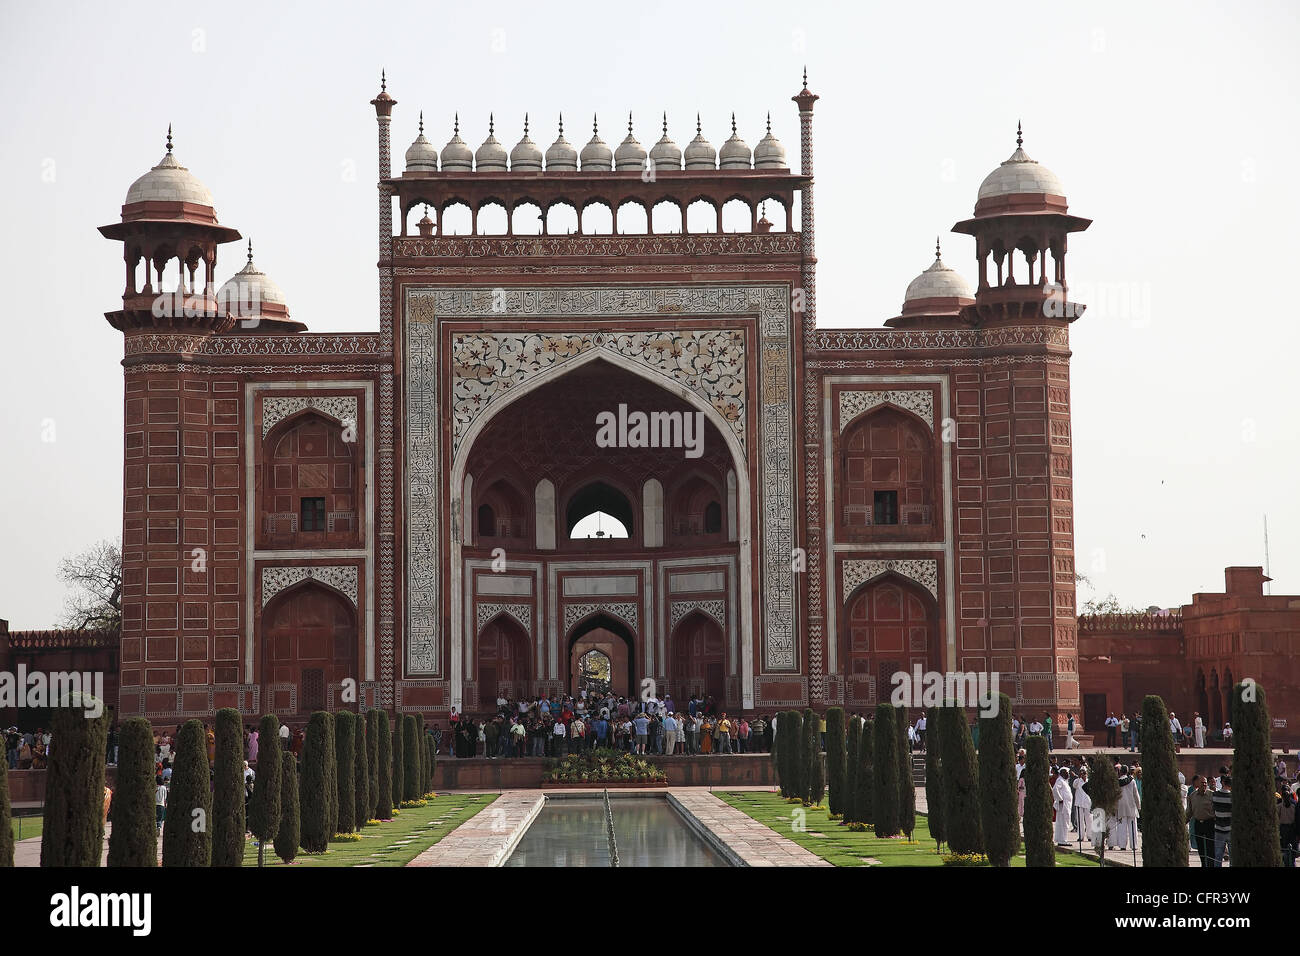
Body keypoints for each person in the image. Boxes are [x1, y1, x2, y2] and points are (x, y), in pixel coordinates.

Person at [1186, 774, 1215, 866]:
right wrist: (1183, 822)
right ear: (1197, 784)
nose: (1204, 785)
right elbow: (1189, 812)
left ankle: (1210, 864)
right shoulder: (1192, 796)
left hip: (1209, 823)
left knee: (1210, 847)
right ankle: (1203, 864)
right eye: (1202, 783)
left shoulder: (1212, 795)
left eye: (1206, 783)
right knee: (1201, 848)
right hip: (1198, 824)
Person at [1115, 764, 1140, 851]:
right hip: (1131, 806)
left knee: (1122, 827)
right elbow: (1136, 794)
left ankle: (1122, 845)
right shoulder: (1132, 781)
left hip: (1121, 806)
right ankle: (1134, 845)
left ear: (1121, 772)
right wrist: (1138, 806)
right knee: (1133, 827)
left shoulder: (1117, 782)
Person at [1210, 774, 1232, 866]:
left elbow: (1212, 810)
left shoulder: (1214, 795)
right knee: (1233, 855)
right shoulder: (1232, 797)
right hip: (1230, 828)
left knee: (1218, 855)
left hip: (1218, 828)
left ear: (1222, 783)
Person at [1052, 766, 1073, 846]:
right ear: (1063, 773)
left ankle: (1061, 839)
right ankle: (1063, 840)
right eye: (1067, 773)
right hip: (1063, 806)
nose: (1069, 774)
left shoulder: (1064, 781)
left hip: (1066, 805)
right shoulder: (1060, 780)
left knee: (1063, 822)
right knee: (1064, 822)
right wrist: (1060, 799)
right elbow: (1054, 789)